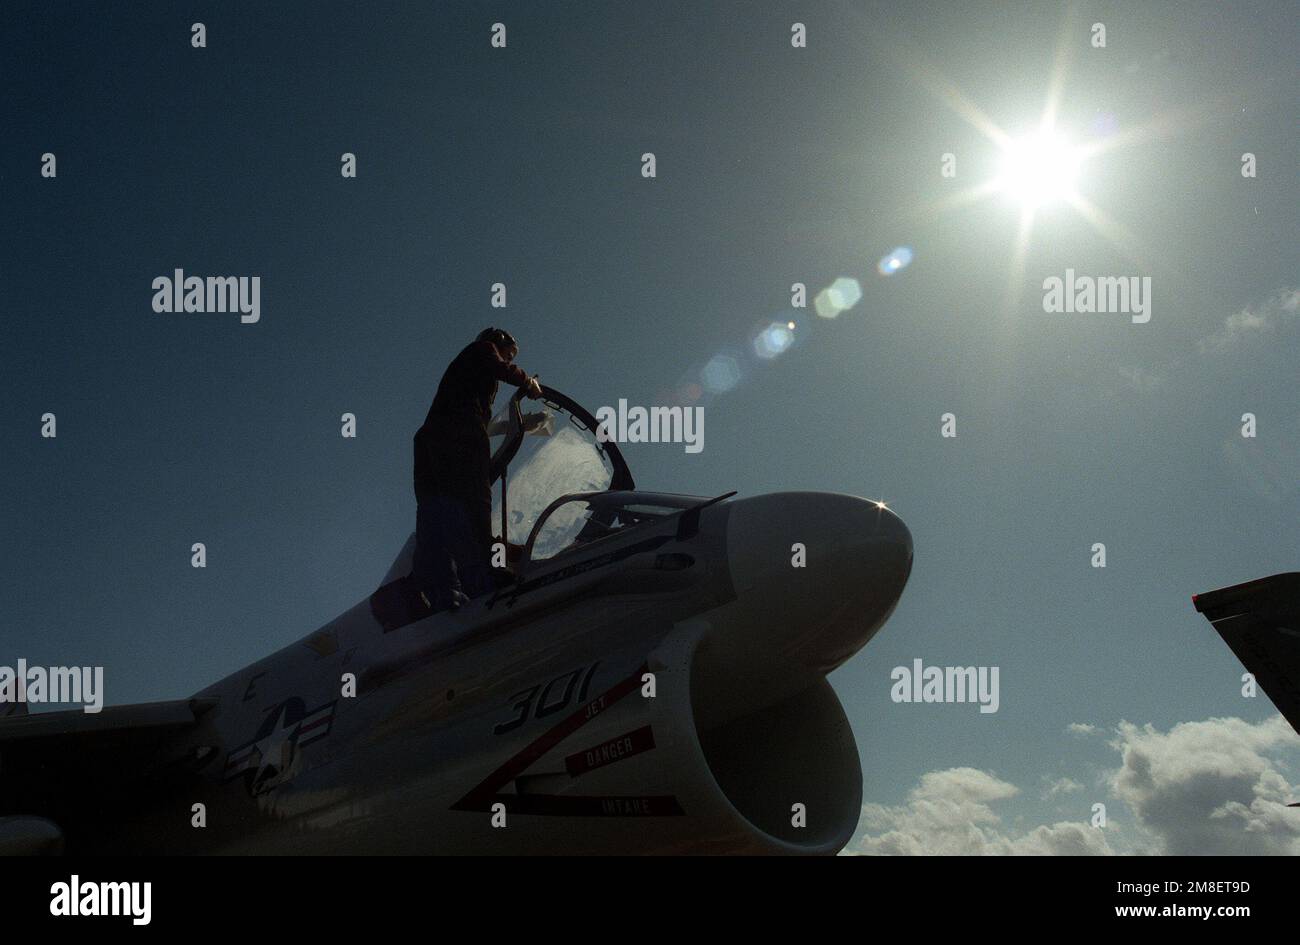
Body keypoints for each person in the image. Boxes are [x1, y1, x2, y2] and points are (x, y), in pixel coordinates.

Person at [411, 328, 541, 611]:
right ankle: (487, 571)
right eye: (510, 353)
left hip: (429, 441)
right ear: (500, 343)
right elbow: (499, 368)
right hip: (459, 432)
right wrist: (527, 382)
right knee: (475, 501)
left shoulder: (464, 376)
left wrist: (521, 423)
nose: (509, 357)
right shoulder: (483, 349)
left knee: (435, 511)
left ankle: (441, 591)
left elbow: (485, 415)